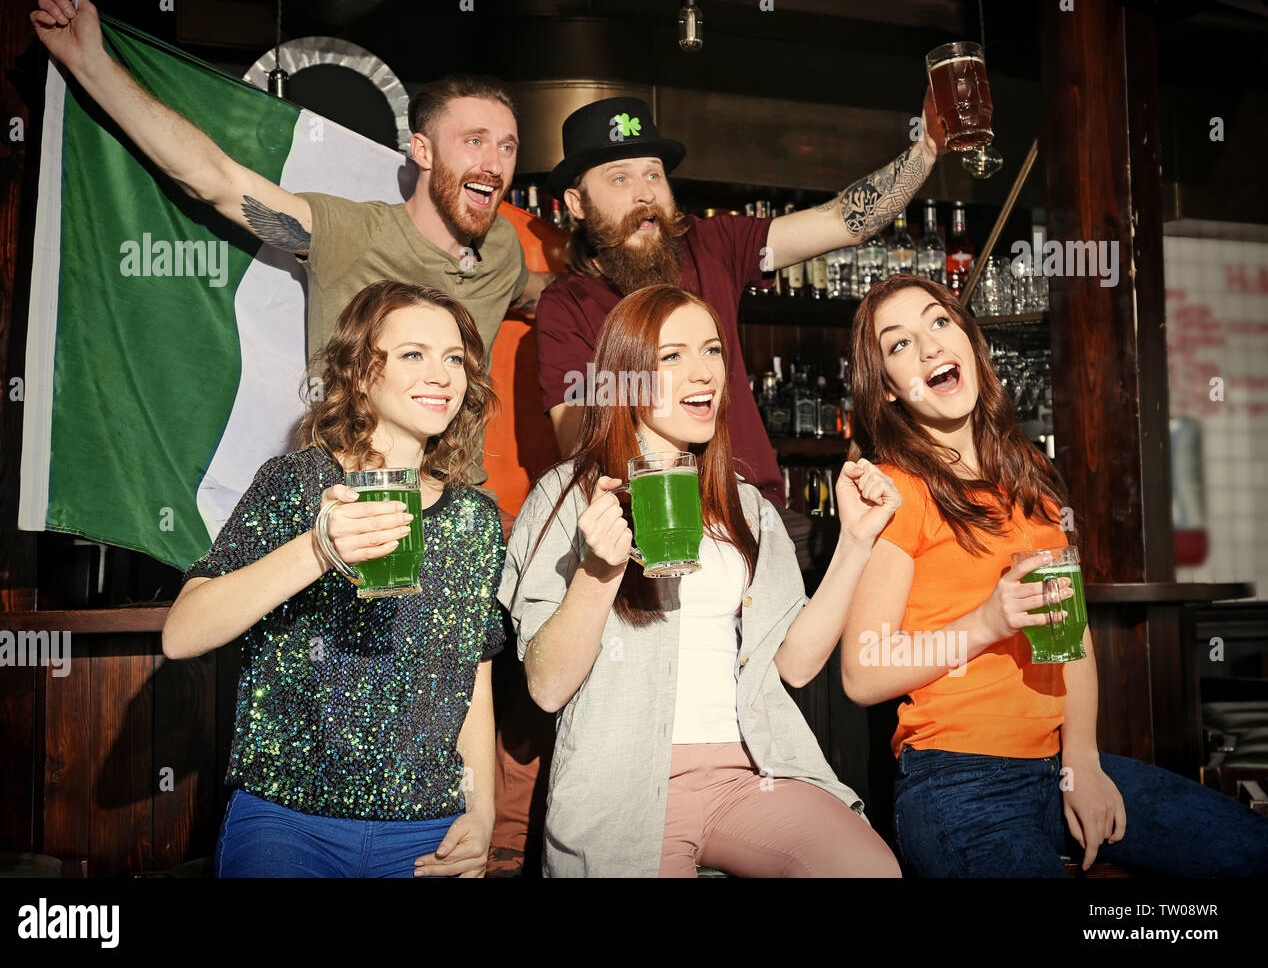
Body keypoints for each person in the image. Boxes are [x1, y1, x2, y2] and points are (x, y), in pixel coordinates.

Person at [30, 0, 553, 474]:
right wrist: (90, 62)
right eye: (474, 141)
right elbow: (212, 179)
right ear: (423, 151)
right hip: (346, 499)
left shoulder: (502, 248)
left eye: (507, 146)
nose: (495, 162)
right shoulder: (354, 233)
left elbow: (542, 293)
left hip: (457, 510)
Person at [840, 273, 1268, 878]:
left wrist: (1084, 763)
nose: (931, 344)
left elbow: (1075, 640)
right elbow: (862, 673)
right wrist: (989, 620)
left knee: (1251, 851)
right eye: (900, 343)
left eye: (939, 321)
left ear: (968, 338)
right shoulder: (896, 491)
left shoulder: (1029, 473)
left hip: (1057, 763)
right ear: (886, 389)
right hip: (960, 781)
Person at [499, 284, 904, 877]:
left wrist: (856, 542)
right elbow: (548, 687)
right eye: (672, 356)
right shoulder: (567, 498)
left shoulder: (747, 506)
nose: (703, 372)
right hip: (624, 787)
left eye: (712, 351)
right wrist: (597, 571)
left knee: (868, 870)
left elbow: (794, 663)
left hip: (746, 776)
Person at [161, 281, 506, 878]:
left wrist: (482, 811)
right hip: (287, 821)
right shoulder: (295, 484)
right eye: (412, 355)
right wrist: (317, 549)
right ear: (359, 372)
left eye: (454, 359)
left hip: (427, 831)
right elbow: (182, 634)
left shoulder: (475, 518)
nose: (442, 375)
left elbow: (471, 674)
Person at [535, 94, 945, 534]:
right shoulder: (566, 305)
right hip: (653, 524)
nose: (646, 193)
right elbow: (581, 445)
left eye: (654, 174)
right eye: (620, 179)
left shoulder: (713, 244)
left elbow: (845, 220)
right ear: (577, 204)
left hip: (757, 512)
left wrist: (927, 150)